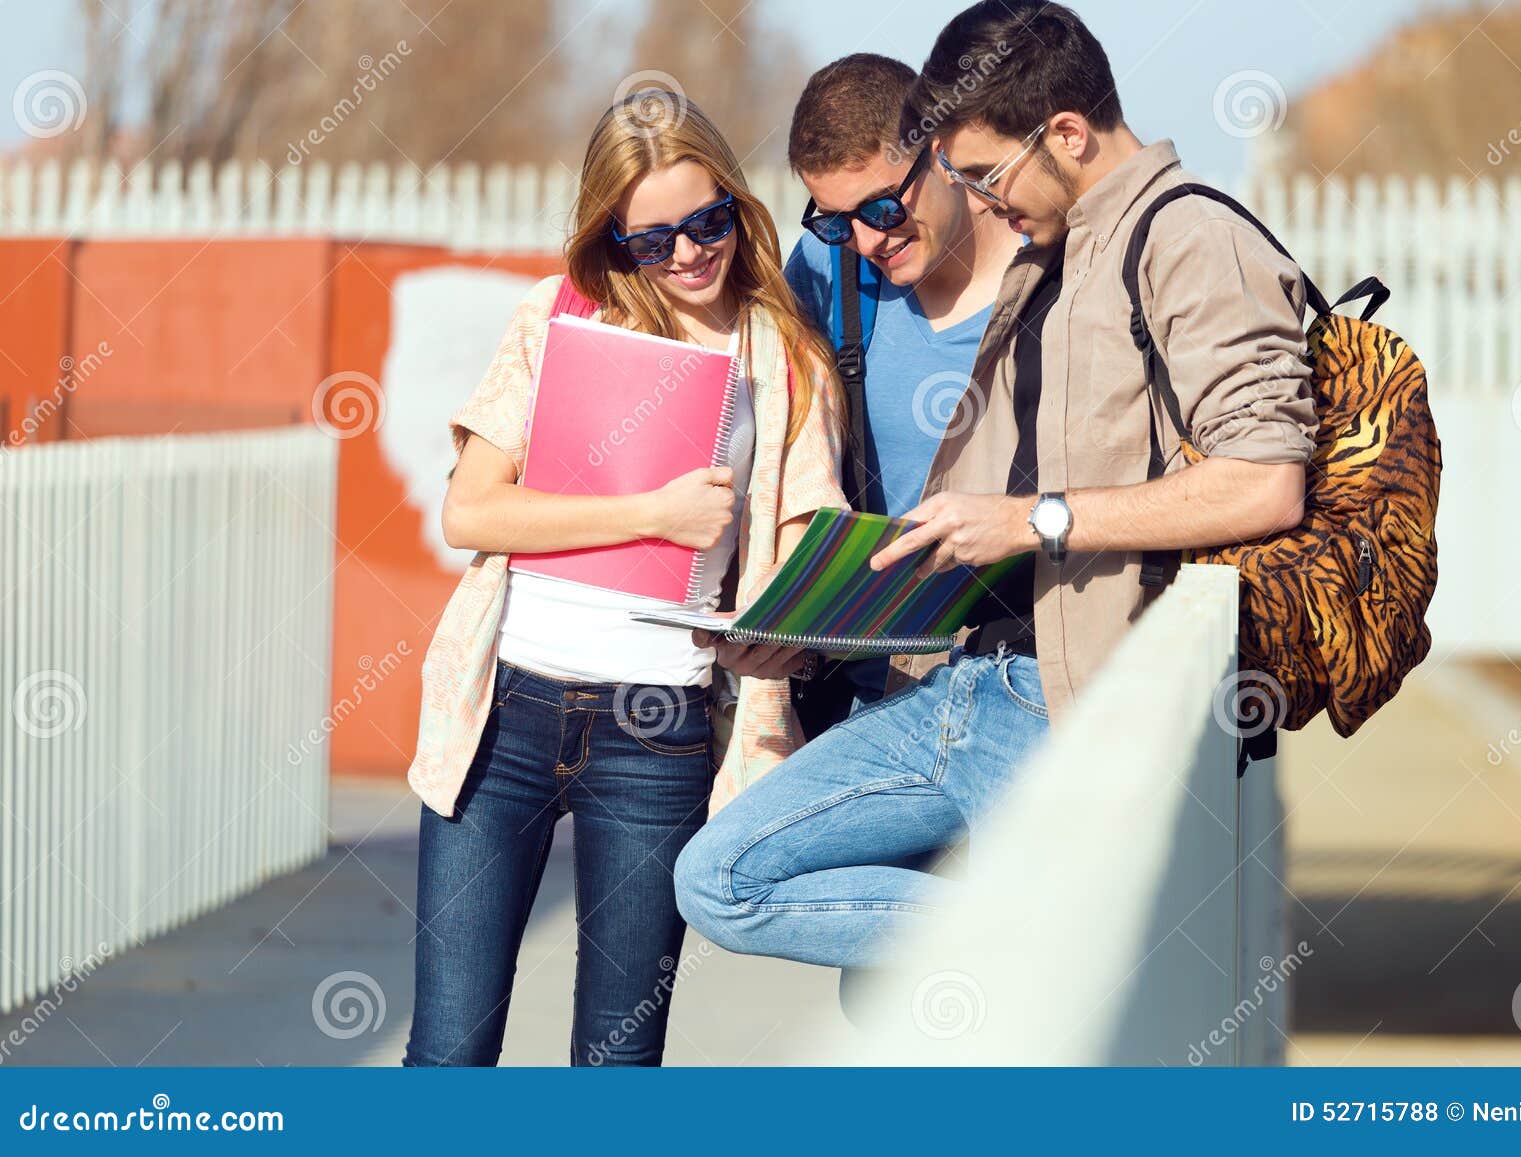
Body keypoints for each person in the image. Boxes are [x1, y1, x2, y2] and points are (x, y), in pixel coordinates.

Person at [675, 0, 1316, 970]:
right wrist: (812, 634)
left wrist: (1031, 519)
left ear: (1065, 131)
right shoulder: (1060, 250)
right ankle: (1032, 938)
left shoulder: (1190, 238)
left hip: (1062, 706)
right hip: (953, 681)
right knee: (720, 877)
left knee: (1013, 1034)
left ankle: (1046, 945)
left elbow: (1266, 482)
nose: (979, 197)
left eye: (983, 174)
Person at [402, 91, 843, 1065]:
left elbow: (806, 555)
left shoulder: (787, 357)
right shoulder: (560, 314)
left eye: (707, 223)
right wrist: (651, 513)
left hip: (661, 728)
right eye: (652, 240)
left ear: (736, 206)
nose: (687, 254)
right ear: (612, 234)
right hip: (505, 712)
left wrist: (775, 629)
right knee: (447, 1052)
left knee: (616, 1065)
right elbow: (470, 510)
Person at [769, 53, 1022, 737]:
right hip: (859, 696)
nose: (866, 240)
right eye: (834, 219)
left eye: (883, 206)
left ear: (942, 150)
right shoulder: (829, 271)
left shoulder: (1047, 275)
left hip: (1011, 686)